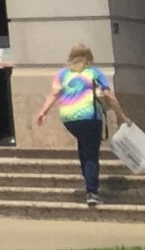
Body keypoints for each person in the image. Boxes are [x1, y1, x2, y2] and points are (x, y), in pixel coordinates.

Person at [32, 43, 126, 206]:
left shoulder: (63, 74)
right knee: (91, 153)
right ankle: (92, 191)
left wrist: (43, 112)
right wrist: (121, 116)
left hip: (69, 118)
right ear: (89, 57)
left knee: (84, 146)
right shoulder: (94, 72)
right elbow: (108, 95)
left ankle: (88, 180)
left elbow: (54, 94)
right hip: (90, 116)